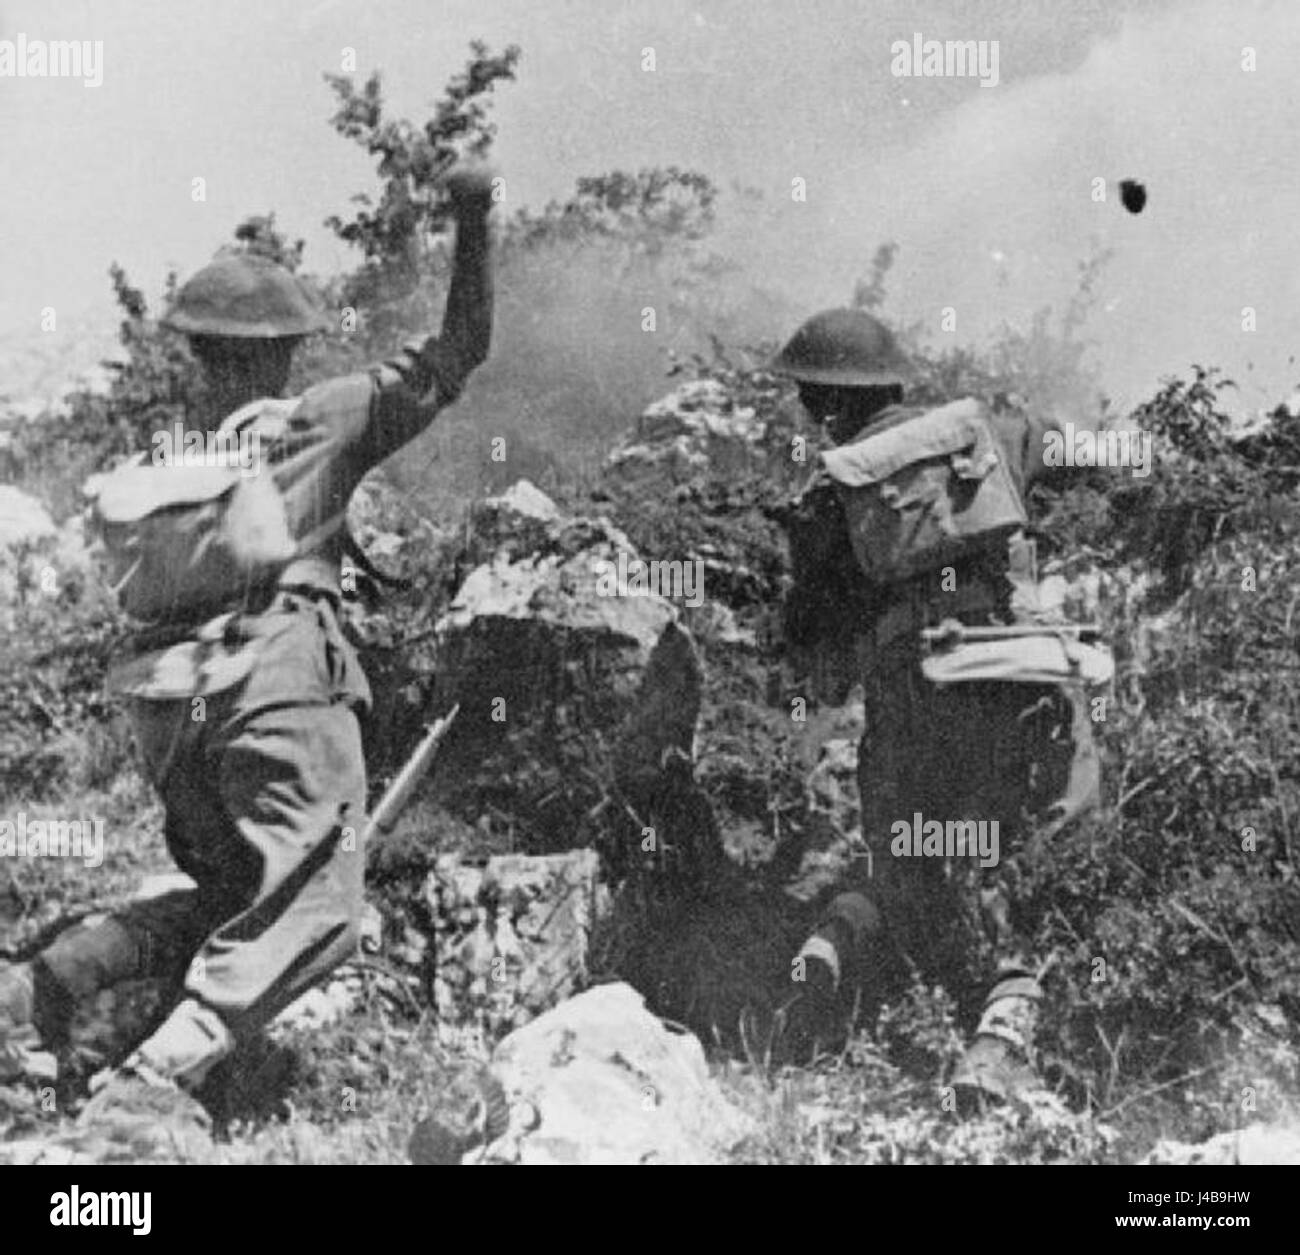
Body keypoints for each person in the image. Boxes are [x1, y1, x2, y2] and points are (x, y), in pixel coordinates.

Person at [0, 164, 497, 1142]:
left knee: (236, 892)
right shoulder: (327, 417)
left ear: (199, 355)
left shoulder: (176, 462)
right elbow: (462, 348)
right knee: (319, 912)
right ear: (290, 347)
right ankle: (146, 1085)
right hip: (279, 696)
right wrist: (474, 221)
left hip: (171, 713)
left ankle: (57, 980)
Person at [772, 307, 1097, 1102]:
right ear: (895, 380)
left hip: (907, 688)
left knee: (906, 852)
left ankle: (834, 946)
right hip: (1004, 671)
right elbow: (1077, 454)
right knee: (1034, 847)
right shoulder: (986, 431)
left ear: (819, 402)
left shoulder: (828, 496)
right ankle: (1000, 1036)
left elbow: (814, 641)